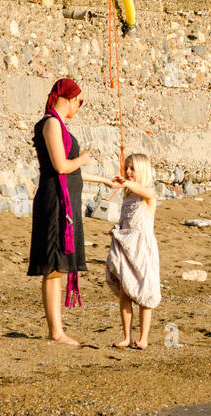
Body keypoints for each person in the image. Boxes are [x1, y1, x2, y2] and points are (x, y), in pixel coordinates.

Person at [30, 78, 103, 346]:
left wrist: (105, 181)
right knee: (53, 267)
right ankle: (56, 332)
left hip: (65, 203)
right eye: (80, 101)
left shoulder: (58, 125)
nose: (80, 106)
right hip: (55, 203)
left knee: (57, 266)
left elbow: (73, 171)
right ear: (69, 98)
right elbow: (61, 166)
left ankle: (57, 330)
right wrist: (82, 159)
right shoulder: (51, 124)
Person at [104, 152, 160, 350]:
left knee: (146, 293)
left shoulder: (147, 196)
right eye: (126, 168)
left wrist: (127, 184)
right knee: (125, 292)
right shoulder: (127, 196)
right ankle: (127, 336)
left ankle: (143, 338)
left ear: (141, 171)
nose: (128, 172)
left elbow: (148, 193)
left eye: (132, 169)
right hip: (126, 247)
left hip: (142, 249)